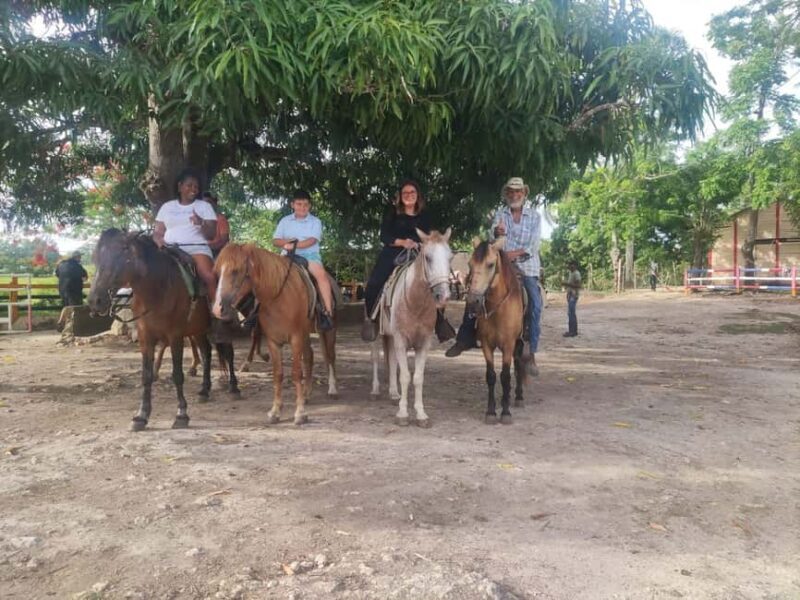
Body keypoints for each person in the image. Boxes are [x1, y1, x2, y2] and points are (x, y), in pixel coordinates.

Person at [446, 177, 543, 374]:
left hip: (527, 267)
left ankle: (530, 351)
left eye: (518, 191)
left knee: (535, 302)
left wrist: (512, 254)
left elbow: (533, 246)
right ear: (507, 194)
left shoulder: (535, 216)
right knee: (475, 290)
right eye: (511, 192)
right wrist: (497, 233)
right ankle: (465, 337)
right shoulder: (501, 214)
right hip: (500, 266)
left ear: (524, 194)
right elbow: (492, 241)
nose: (514, 195)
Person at [360, 179, 455, 342]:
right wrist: (402, 242)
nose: (409, 195)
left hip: (418, 253)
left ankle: (440, 321)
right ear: (400, 195)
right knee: (374, 284)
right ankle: (372, 319)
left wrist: (421, 244)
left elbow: (429, 236)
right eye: (405, 192)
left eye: (412, 192)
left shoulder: (425, 215)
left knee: (437, 281)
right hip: (393, 252)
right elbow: (384, 236)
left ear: (418, 195)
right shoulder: (392, 212)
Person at [153, 168, 218, 303]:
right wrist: (159, 241)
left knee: (210, 277)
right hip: (169, 250)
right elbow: (158, 232)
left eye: (196, 187)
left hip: (197, 250)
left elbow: (211, 235)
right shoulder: (167, 207)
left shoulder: (204, 206)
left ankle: (217, 311)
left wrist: (200, 223)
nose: (193, 189)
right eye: (189, 185)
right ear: (180, 186)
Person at [273, 189, 334, 331]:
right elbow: (275, 240)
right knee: (269, 276)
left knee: (321, 276)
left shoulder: (315, 222)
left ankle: (327, 312)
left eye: (306, 205)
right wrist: (286, 243)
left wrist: (295, 245)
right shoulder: (285, 221)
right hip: (286, 255)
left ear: (310, 206)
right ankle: (258, 312)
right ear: (292, 205)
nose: (302, 207)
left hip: (309, 255)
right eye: (299, 204)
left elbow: (312, 240)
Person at [203, 191, 230, 258]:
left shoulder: (221, 219)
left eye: (209, 202)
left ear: (214, 204)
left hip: (217, 253)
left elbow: (224, 241)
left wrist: (209, 248)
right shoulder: (200, 220)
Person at [563, 260, 581, 337]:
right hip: (571, 295)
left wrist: (567, 284)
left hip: (574, 295)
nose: (570, 266)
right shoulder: (571, 273)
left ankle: (572, 332)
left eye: (571, 265)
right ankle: (573, 331)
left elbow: (578, 285)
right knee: (571, 313)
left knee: (571, 313)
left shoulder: (576, 274)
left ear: (575, 266)